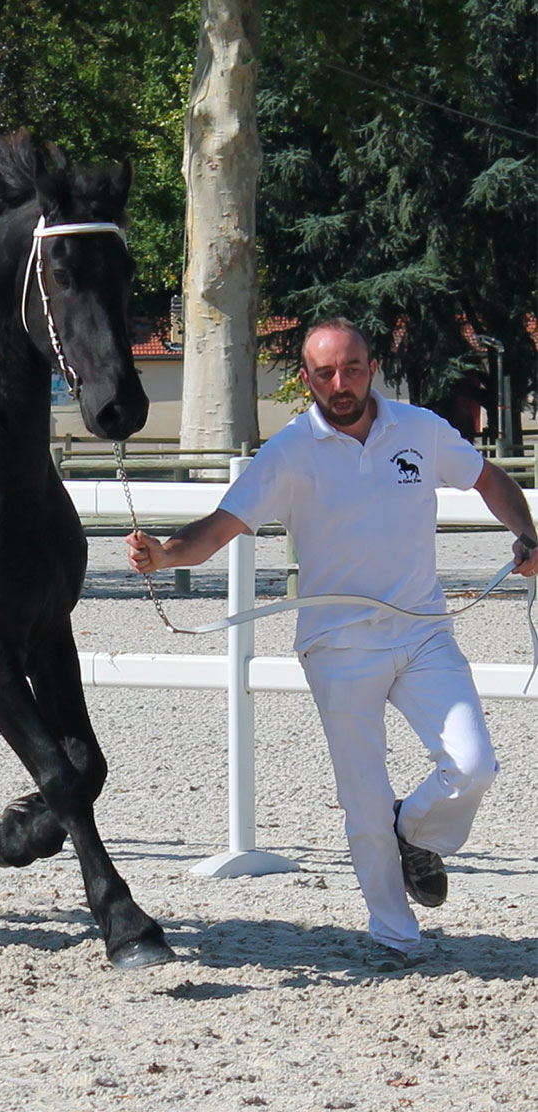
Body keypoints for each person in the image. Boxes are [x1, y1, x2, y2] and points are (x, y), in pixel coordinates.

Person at [127, 318, 538, 969]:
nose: (339, 383)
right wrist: (164, 552)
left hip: (423, 630)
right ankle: (395, 937)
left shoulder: (421, 430)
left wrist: (524, 534)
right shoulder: (289, 452)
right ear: (306, 378)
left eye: (349, 368)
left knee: (473, 764)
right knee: (363, 799)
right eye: (323, 373)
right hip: (338, 646)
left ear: (370, 366)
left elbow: (489, 481)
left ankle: (416, 830)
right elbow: (219, 527)